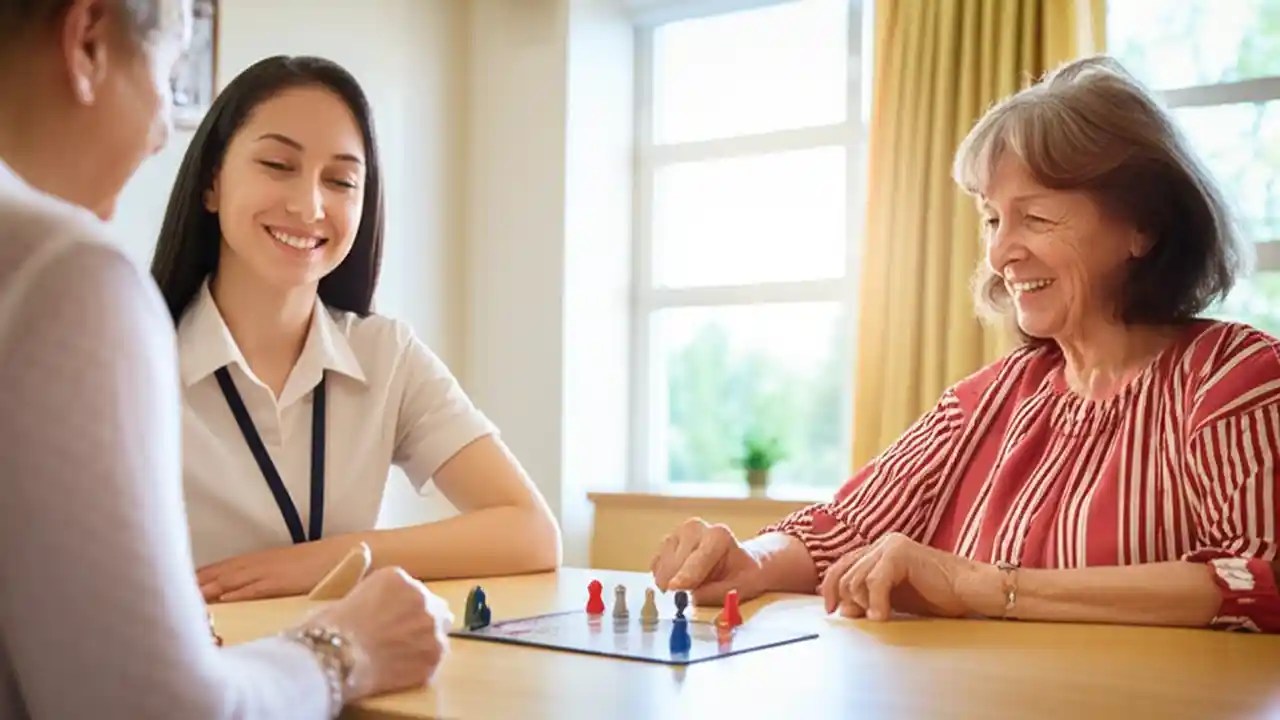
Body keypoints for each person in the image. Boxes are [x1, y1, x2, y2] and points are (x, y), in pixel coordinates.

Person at [649, 56, 1280, 634]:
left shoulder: (1232, 377)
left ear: (1143, 226)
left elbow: (1258, 582)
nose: (1002, 251)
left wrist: (984, 586)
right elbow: (839, 531)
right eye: (991, 219)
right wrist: (748, 559)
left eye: (1034, 217)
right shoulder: (989, 397)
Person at [0, 1, 453, 717]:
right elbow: (147, 706)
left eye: (342, 180)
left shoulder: (384, 347)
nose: (158, 133)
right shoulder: (65, 279)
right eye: (167, 75)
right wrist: (343, 647)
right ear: (87, 41)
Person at [149, 55, 561, 603]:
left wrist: (332, 560)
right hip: (194, 676)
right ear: (212, 184)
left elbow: (531, 532)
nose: (309, 204)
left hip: (352, 672)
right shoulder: (134, 357)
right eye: (277, 164)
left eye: (341, 180)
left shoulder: (385, 354)